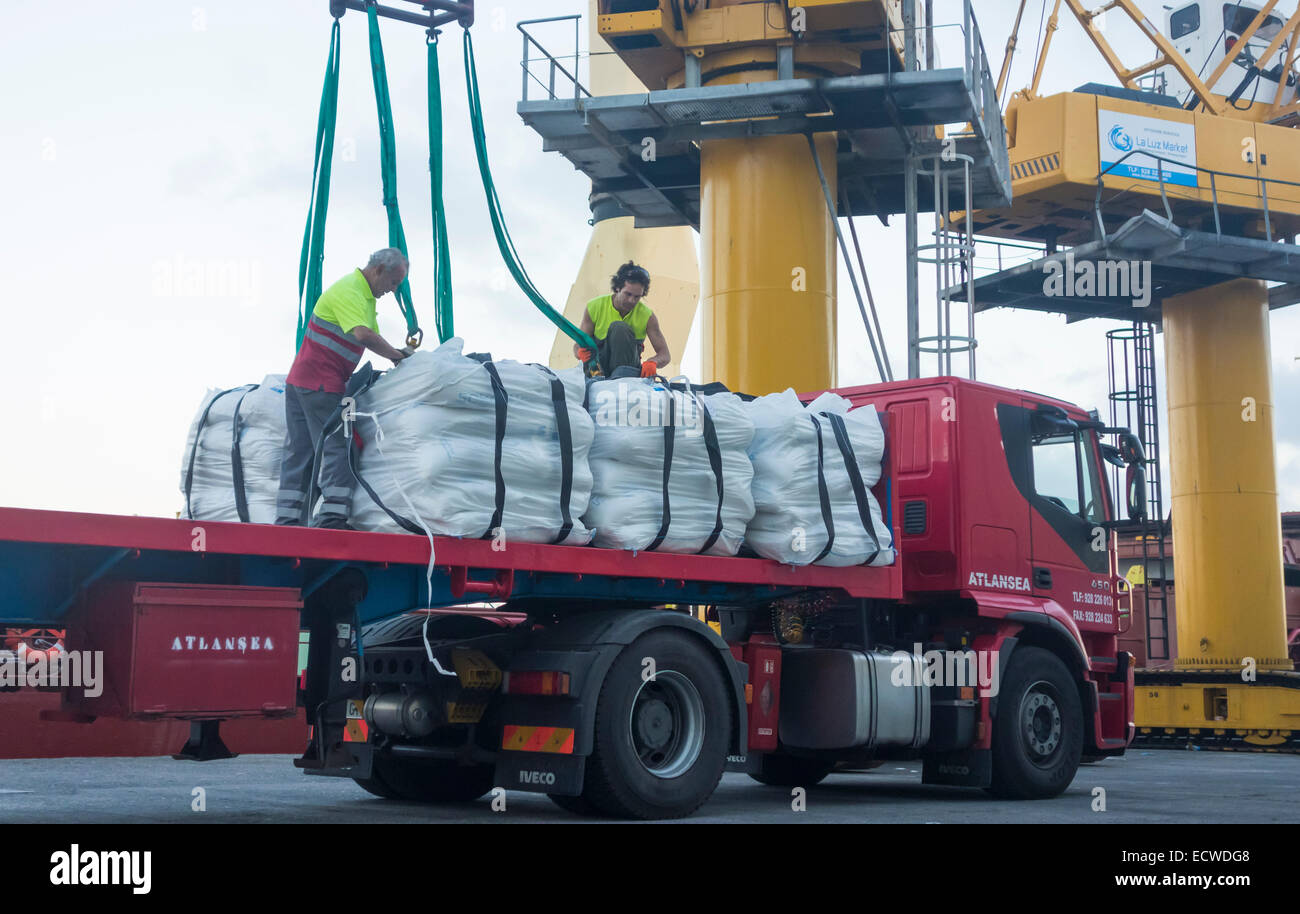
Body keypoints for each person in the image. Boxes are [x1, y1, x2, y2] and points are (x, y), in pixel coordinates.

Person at [275, 248, 411, 529]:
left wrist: (396, 352)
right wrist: (396, 356)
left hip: (301, 382)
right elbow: (362, 334)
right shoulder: (352, 291)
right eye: (394, 283)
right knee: (339, 446)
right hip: (321, 384)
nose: (394, 290)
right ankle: (333, 518)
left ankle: (288, 520)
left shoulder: (362, 298)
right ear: (378, 270)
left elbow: (370, 335)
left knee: (301, 453)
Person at [574, 261, 671, 378]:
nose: (631, 300)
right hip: (597, 369)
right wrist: (580, 353)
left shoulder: (648, 316)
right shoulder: (594, 307)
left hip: (627, 371)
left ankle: (620, 378)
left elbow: (665, 355)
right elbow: (577, 346)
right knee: (618, 327)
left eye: (637, 297)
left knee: (619, 328)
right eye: (628, 294)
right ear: (617, 288)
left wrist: (653, 362)